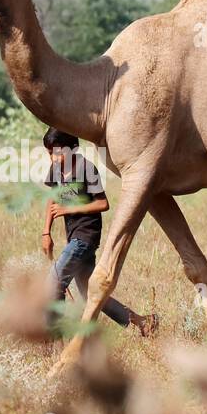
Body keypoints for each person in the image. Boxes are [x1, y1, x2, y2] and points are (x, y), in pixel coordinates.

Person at [40, 127, 159, 336]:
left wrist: (69, 209)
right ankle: (143, 322)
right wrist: (46, 233)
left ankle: (54, 338)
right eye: (50, 152)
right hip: (72, 236)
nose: (53, 158)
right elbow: (52, 197)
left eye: (57, 153)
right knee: (91, 294)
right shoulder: (56, 169)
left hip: (86, 236)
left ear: (72, 149)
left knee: (54, 282)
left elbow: (103, 203)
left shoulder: (87, 168)